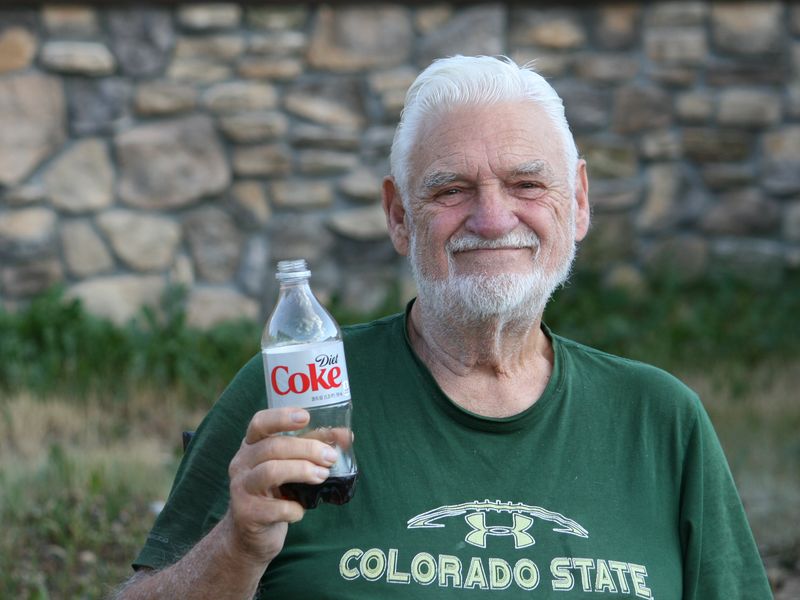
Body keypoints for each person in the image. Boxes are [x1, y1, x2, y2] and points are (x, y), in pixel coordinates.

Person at [116, 56, 771, 599]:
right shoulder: (294, 394)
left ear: (578, 203)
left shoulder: (660, 420)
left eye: (525, 184)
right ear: (399, 216)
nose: (491, 218)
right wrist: (238, 545)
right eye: (451, 189)